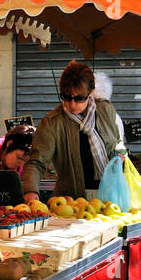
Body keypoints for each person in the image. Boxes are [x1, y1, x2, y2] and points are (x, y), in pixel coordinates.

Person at [19, 60, 123, 200]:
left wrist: (120, 156)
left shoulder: (105, 110)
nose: (72, 105)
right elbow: (37, 162)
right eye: (66, 97)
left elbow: (116, 144)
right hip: (71, 201)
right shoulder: (52, 122)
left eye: (79, 98)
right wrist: (31, 191)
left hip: (111, 194)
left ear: (90, 93)